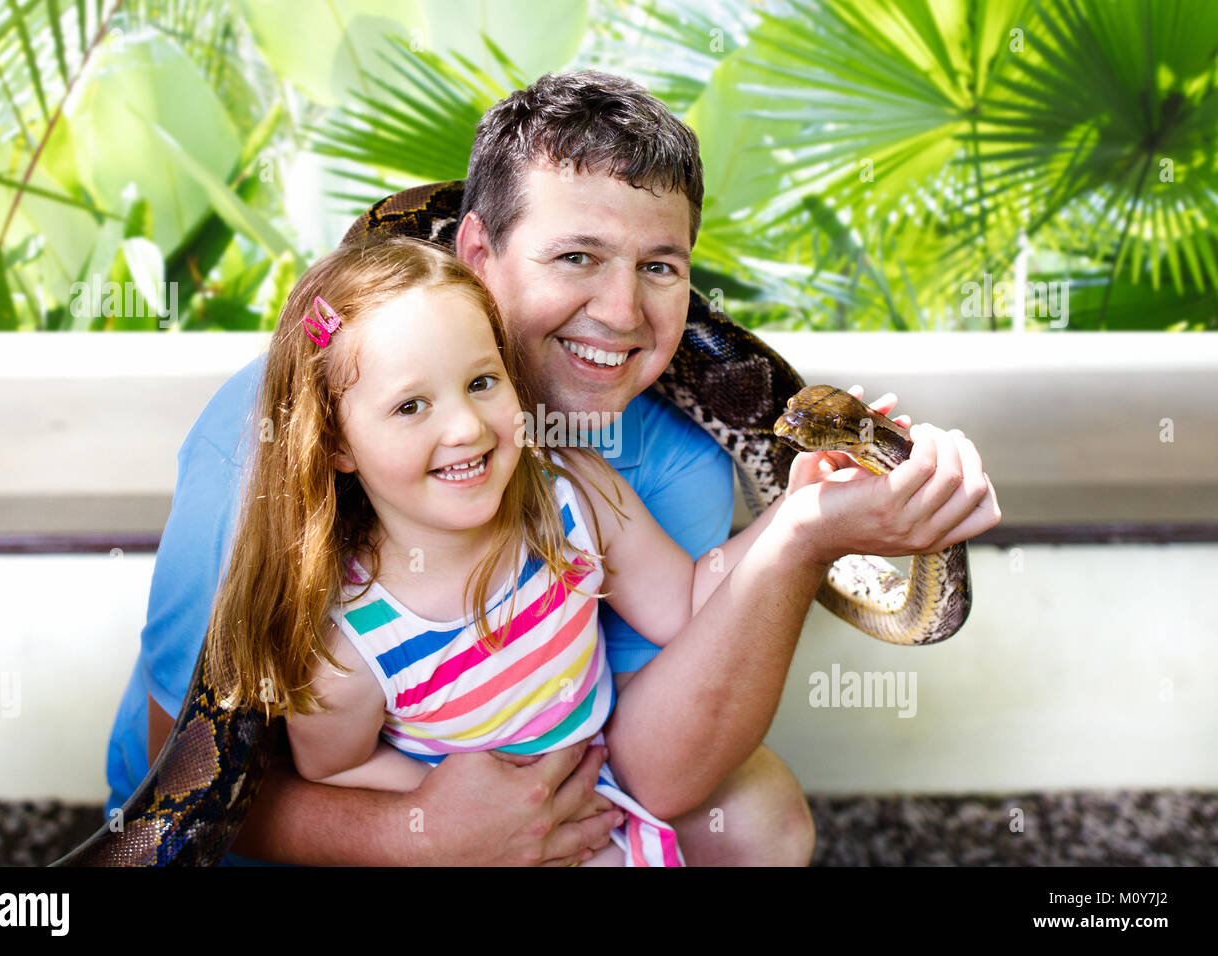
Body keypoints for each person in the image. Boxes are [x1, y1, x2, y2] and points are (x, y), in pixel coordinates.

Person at [103, 70, 1001, 866]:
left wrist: (804, 529)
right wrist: (423, 837)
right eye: (576, 257)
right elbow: (177, 780)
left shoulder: (651, 457)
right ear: (477, 253)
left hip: (553, 782)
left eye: (660, 266)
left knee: (755, 816)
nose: (620, 311)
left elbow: (658, 769)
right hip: (304, 829)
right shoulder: (270, 436)